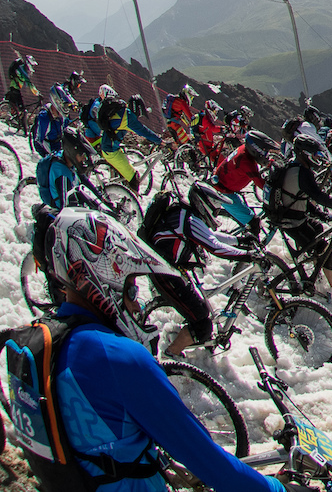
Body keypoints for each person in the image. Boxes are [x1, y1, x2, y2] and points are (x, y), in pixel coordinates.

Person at [4, 207, 289, 492]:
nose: (137, 305)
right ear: (100, 279)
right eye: (131, 289)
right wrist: (279, 489)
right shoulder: (119, 358)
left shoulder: (43, 339)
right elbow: (212, 465)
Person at [140, 182, 253, 358]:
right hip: (163, 272)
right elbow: (215, 247)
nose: (216, 213)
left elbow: (211, 236)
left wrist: (239, 241)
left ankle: (183, 337)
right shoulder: (189, 219)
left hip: (167, 268)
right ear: (204, 204)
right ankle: (170, 356)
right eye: (214, 208)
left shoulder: (186, 214)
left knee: (200, 309)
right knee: (202, 323)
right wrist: (249, 255)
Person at [264, 135, 332, 297]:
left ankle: (314, 270)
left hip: (289, 215)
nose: (316, 159)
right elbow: (318, 196)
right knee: (326, 251)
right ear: (305, 154)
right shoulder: (303, 173)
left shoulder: (293, 167)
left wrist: (322, 215)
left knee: (318, 229)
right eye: (314, 155)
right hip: (292, 221)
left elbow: (299, 198)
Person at [211, 131, 276, 231]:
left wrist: (272, 163)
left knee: (247, 214)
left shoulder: (244, 149)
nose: (265, 154)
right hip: (224, 192)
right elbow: (261, 184)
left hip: (221, 183)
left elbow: (262, 161)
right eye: (264, 151)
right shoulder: (247, 162)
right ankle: (248, 244)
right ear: (255, 150)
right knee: (254, 223)